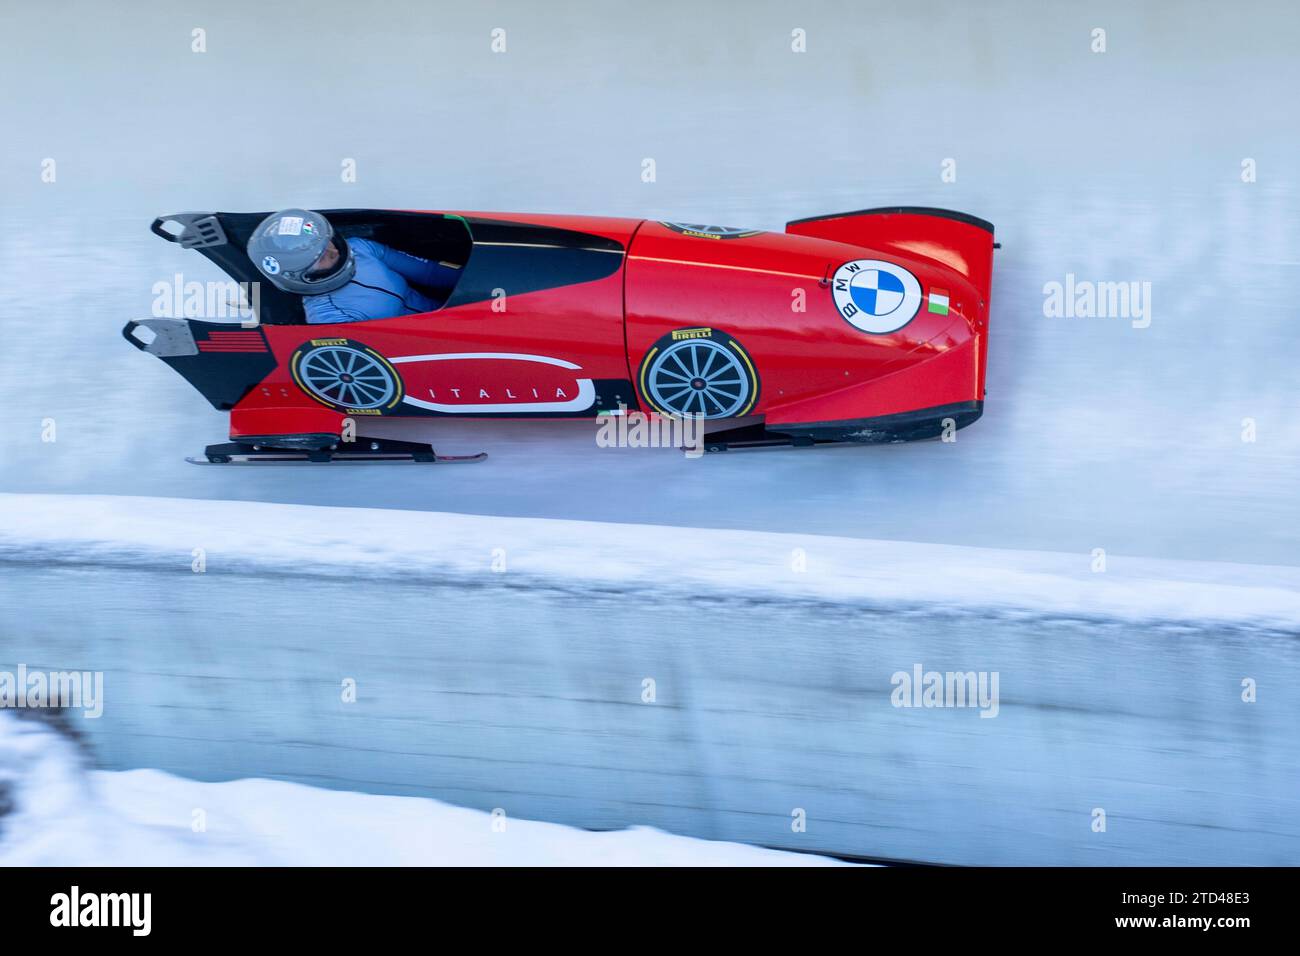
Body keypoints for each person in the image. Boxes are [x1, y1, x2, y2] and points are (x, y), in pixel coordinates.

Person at [246, 208, 461, 323]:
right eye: (321, 258)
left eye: (328, 242)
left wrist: (478, 284)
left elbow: (429, 271)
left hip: (455, 312)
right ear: (302, 276)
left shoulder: (360, 249)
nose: (335, 251)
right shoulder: (328, 317)